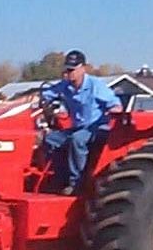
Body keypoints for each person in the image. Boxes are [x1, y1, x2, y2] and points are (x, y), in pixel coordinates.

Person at [40, 50, 122, 194]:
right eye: (67, 69)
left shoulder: (95, 85)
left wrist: (114, 108)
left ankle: (77, 183)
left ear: (83, 68)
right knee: (51, 139)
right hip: (78, 127)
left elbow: (115, 103)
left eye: (73, 69)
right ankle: (59, 178)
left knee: (77, 139)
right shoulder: (65, 86)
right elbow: (45, 95)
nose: (69, 72)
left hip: (97, 128)